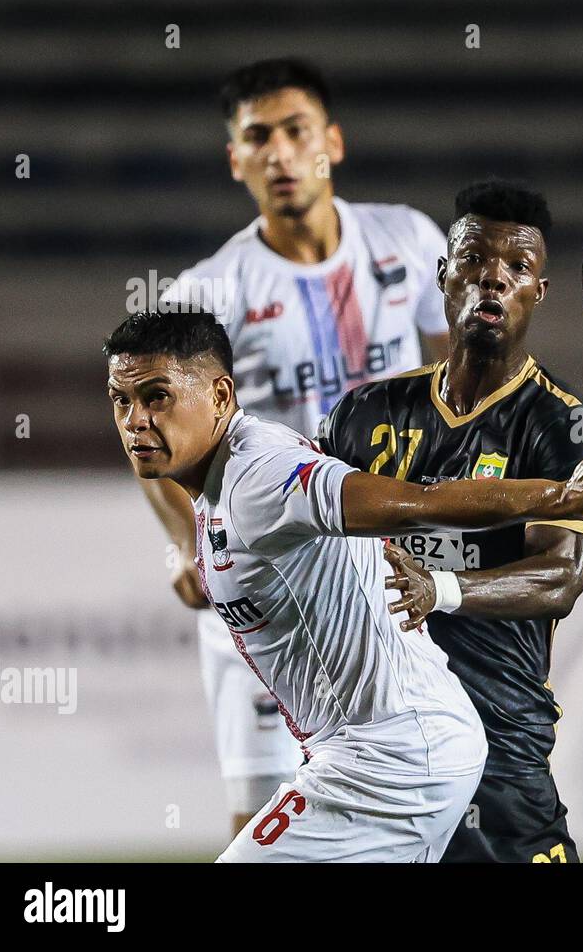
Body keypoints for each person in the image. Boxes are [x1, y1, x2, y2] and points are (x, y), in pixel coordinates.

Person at [104, 308, 583, 861]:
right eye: (121, 400)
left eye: (157, 396)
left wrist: (560, 498)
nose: (135, 420)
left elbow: (420, 505)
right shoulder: (223, 483)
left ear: (221, 396)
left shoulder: (260, 476)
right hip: (393, 747)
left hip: (392, 758)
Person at [143, 57, 452, 834]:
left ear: (332, 143)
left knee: (420, 798)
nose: (279, 152)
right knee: (264, 824)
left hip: (387, 581)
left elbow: (457, 386)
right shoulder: (206, 293)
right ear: (236, 160)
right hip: (266, 586)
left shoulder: (409, 241)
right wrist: (187, 543)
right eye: (258, 138)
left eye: (295, 131)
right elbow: (149, 433)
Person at [321, 179, 583, 862]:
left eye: (518, 268)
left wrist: (439, 589)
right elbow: (310, 553)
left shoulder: (563, 424)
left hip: (498, 746)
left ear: (538, 292)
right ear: (443, 276)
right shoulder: (365, 414)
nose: (493, 278)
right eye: (474, 259)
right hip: (377, 745)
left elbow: (561, 578)